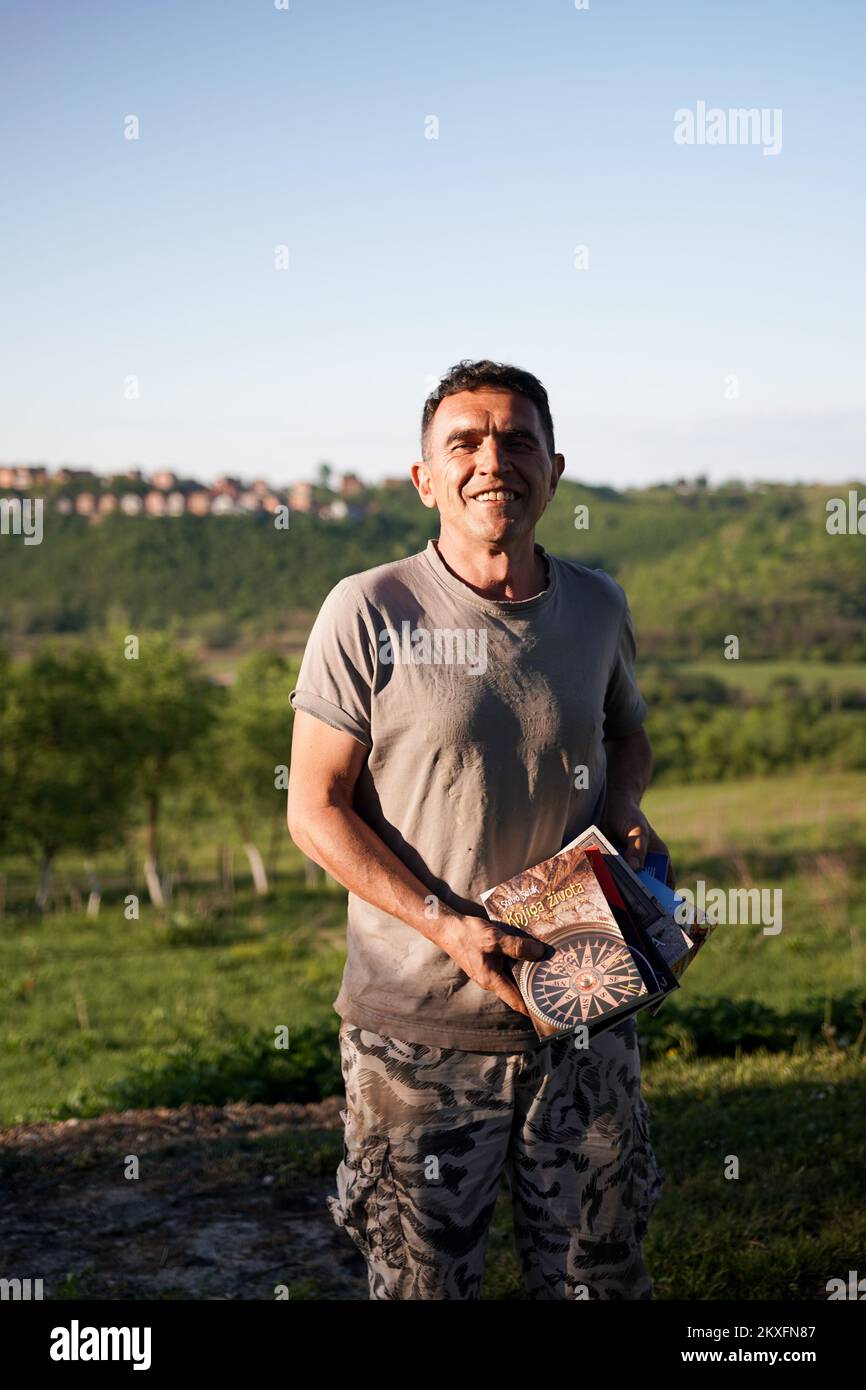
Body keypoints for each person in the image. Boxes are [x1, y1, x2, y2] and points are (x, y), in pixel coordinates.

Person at [287, 359, 668, 1300]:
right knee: (424, 1287)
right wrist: (447, 924)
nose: (492, 460)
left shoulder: (598, 604)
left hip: (584, 1006)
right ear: (425, 477)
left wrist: (623, 809)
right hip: (418, 1031)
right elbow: (315, 809)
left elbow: (628, 736)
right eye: (464, 442)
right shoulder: (368, 609)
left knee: (598, 1279)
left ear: (554, 467)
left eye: (517, 440)